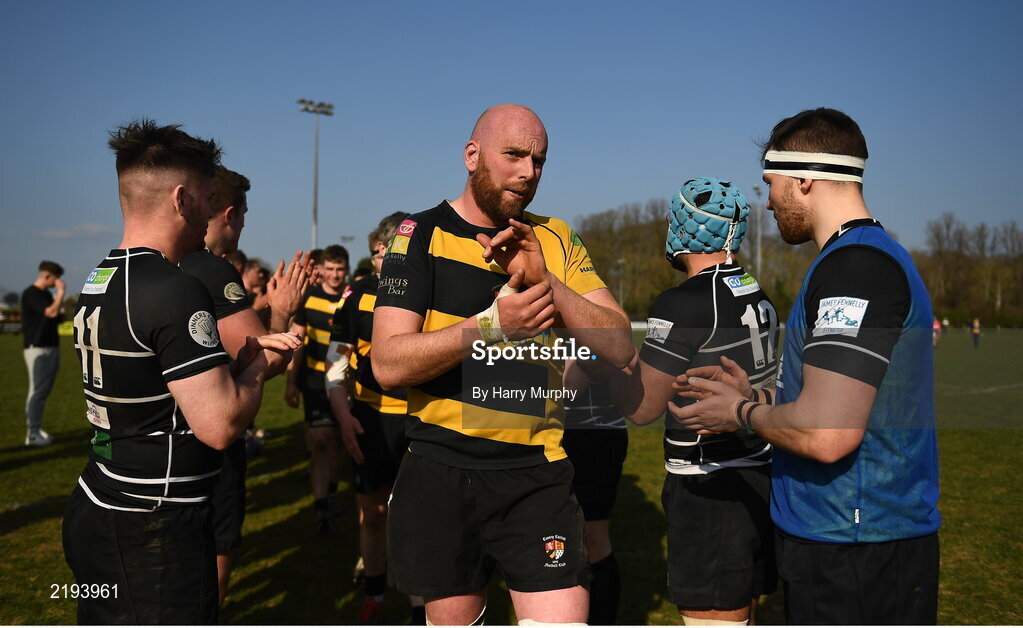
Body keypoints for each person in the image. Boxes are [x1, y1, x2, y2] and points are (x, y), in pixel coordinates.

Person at [672, 108, 940, 625]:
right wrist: (764, 399)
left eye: (771, 183)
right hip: (853, 538)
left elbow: (827, 433)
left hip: (855, 544)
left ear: (804, 178)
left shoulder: (855, 268)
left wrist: (743, 412)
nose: (767, 200)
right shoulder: (853, 259)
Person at [371, 104, 633, 625]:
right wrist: (492, 327)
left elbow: (620, 344)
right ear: (472, 156)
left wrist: (547, 285)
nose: (527, 172)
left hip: (537, 475)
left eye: (539, 160)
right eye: (513, 155)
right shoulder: (417, 234)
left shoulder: (555, 236)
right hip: (441, 471)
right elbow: (388, 363)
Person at [62, 119, 301, 624]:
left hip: (100, 500)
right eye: (207, 198)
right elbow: (220, 426)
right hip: (154, 527)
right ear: (181, 199)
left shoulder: (101, 275)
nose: (210, 212)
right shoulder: (174, 288)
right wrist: (256, 365)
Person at [597, 178, 777, 626]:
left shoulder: (685, 301)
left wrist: (599, 357)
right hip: (760, 472)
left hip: (710, 483)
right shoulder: (754, 285)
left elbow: (641, 407)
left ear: (683, 225)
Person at [179, 165, 313, 606]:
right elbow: (262, 361)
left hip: (145, 450)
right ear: (230, 214)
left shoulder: (151, 262)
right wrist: (283, 312)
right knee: (216, 545)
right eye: (245, 214)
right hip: (208, 443)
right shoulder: (215, 272)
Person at [326, 212, 425, 624]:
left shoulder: (428, 289)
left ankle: (421, 605)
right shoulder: (358, 295)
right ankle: (375, 593)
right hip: (367, 416)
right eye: (386, 251)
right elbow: (335, 363)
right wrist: (343, 416)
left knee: (418, 514)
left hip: (419, 418)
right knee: (372, 512)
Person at [286, 243, 350, 534]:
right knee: (321, 439)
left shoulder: (352, 298)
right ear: (323, 270)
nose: (336, 275)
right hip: (314, 380)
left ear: (346, 271)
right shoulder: (309, 299)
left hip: (344, 380)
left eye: (341, 269)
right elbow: (297, 343)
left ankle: (333, 493)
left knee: (338, 441)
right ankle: (321, 505)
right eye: (331, 269)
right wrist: (291, 381)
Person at [560, 361, 628, 626]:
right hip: (542, 437)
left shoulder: (604, 318)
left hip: (593, 437)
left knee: (592, 538)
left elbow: (570, 388)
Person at [21, 260, 65, 446]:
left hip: (50, 346)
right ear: (47, 276)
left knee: (42, 390)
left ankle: (36, 429)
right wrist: (61, 293)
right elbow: (50, 312)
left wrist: (56, 301)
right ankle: (32, 433)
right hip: (38, 347)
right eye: (56, 279)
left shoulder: (46, 294)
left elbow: (56, 316)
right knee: (37, 391)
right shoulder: (32, 293)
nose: (57, 283)